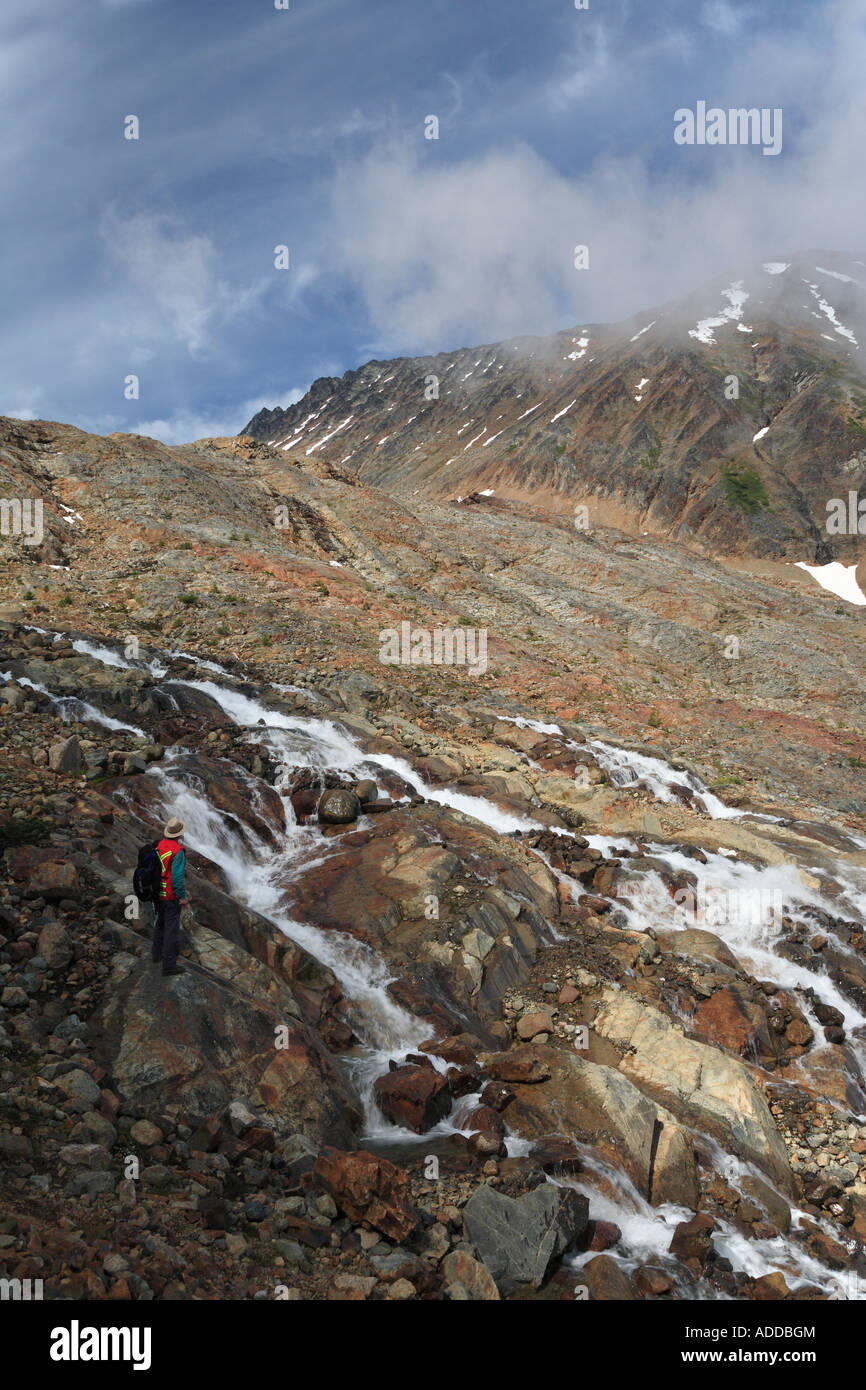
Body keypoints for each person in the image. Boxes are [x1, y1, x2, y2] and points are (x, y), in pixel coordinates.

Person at [152, 817, 188, 977]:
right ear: (179, 834)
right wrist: (182, 897)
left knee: (160, 923)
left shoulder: (159, 845)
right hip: (170, 895)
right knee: (172, 930)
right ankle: (169, 966)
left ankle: (156, 954)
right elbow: (177, 879)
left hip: (158, 892)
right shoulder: (178, 851)